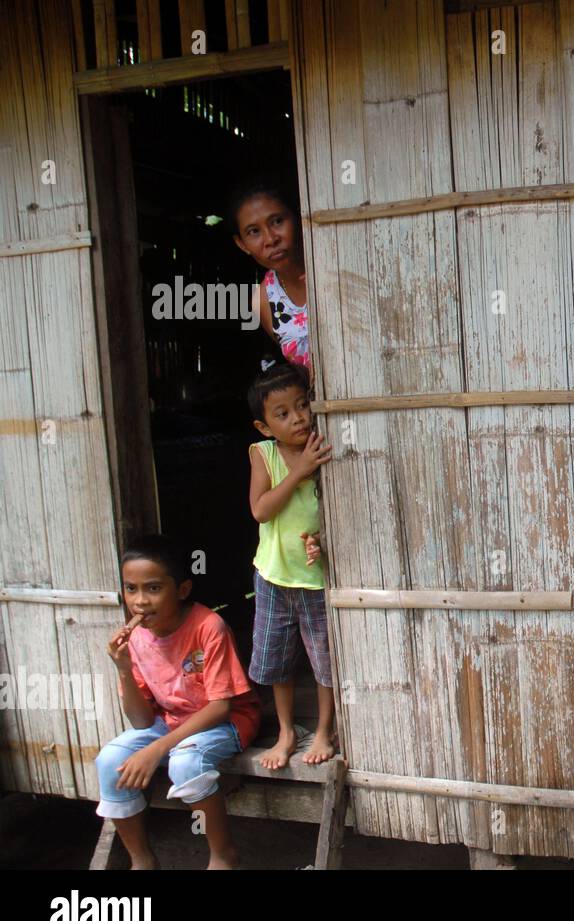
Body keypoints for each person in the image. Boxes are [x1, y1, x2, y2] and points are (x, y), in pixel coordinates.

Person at [95, 535, 261, 869]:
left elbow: (220, 707)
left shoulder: (208, 627)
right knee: (109, 760)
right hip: (171, 720)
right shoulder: (137, 638)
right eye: (131, 589)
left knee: (183, 763)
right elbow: (142, 722)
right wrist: (124, 670)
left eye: (153, 588)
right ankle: (142, 860)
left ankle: (222, 854)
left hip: (226, 721)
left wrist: (157, 750)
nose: (140, 601)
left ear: (182, 590)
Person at [247, 362, 335, 769]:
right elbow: (261, 511)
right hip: (273, 577)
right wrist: (298, 471)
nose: (297, 417)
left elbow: (329, 510)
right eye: (282, 413)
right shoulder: (264, 454)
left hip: (315, 578)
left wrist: (321, 541)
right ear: (264, 427)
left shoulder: (323, 444)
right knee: (277, 662)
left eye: (302, 405)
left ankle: (323, 730)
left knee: (325, 661)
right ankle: (286, 731)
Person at [228, 179, 313, 377]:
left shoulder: (332, 266)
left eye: (277, 221)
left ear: (299, 217)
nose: (270, 239)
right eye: (254, 231)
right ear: (242, 244)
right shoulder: (263, 300)